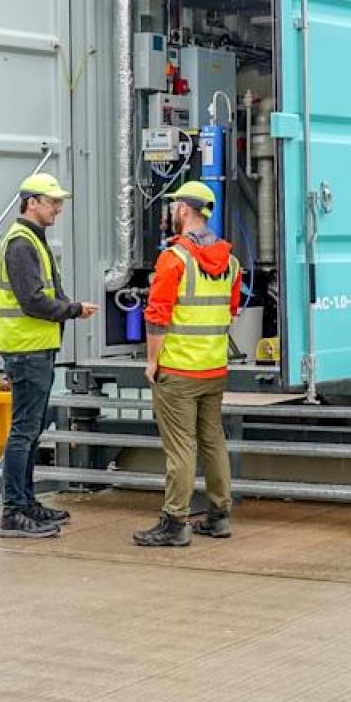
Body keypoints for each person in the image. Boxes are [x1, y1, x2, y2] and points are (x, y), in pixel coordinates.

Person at [133, 180, 241, 547]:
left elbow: (157, 316)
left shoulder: (174, 258)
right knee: (213, 441)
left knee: (180, 448)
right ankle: (219, 516)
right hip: (214, 368)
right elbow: (230, 311)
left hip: (179, 370)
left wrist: (152, 361)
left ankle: (175, 522)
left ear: (183, 210)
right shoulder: (231, 261)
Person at [0, 173, 98, 539]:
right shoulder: (21, 243)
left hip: (35, 347)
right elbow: (33, 300)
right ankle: (13, 511)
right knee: (24, 431)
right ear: (32, 202)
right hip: (26, 350)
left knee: (32, 429)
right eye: (52, 201)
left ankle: (25, 502)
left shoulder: (33, 241)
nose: (58, 208)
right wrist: (72, 309)